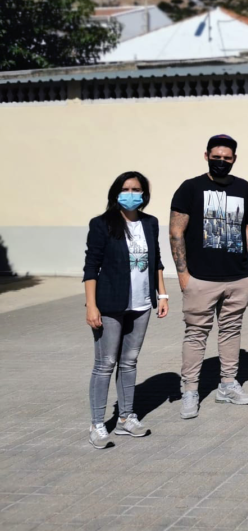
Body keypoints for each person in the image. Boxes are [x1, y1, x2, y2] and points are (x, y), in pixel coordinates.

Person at [170, 135, 248, 419]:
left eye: (227, 158)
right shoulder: (190, 187)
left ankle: (228, 385)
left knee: (231, 330)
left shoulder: (243, 187)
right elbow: (176, 231)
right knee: (196, 334)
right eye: (216, 157)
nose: (221, 162)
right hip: (201, 278)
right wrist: (183, 274)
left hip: (238, 277)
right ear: (206, 155)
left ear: (234, 159)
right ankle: (189, 391)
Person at [83, 171, 169, 448]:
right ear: (116, 193)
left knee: (130, 361)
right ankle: (97, 424)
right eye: (126, 189)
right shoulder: (102, 224)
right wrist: (91, 306)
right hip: (110, 305)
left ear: (144, 195)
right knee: (105, 363)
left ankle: (125, 418)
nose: (131, 194)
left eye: (136, 189)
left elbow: (156, 260)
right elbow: (91, 267)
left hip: (141, 304)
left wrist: (162, 294)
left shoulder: (150, 223)